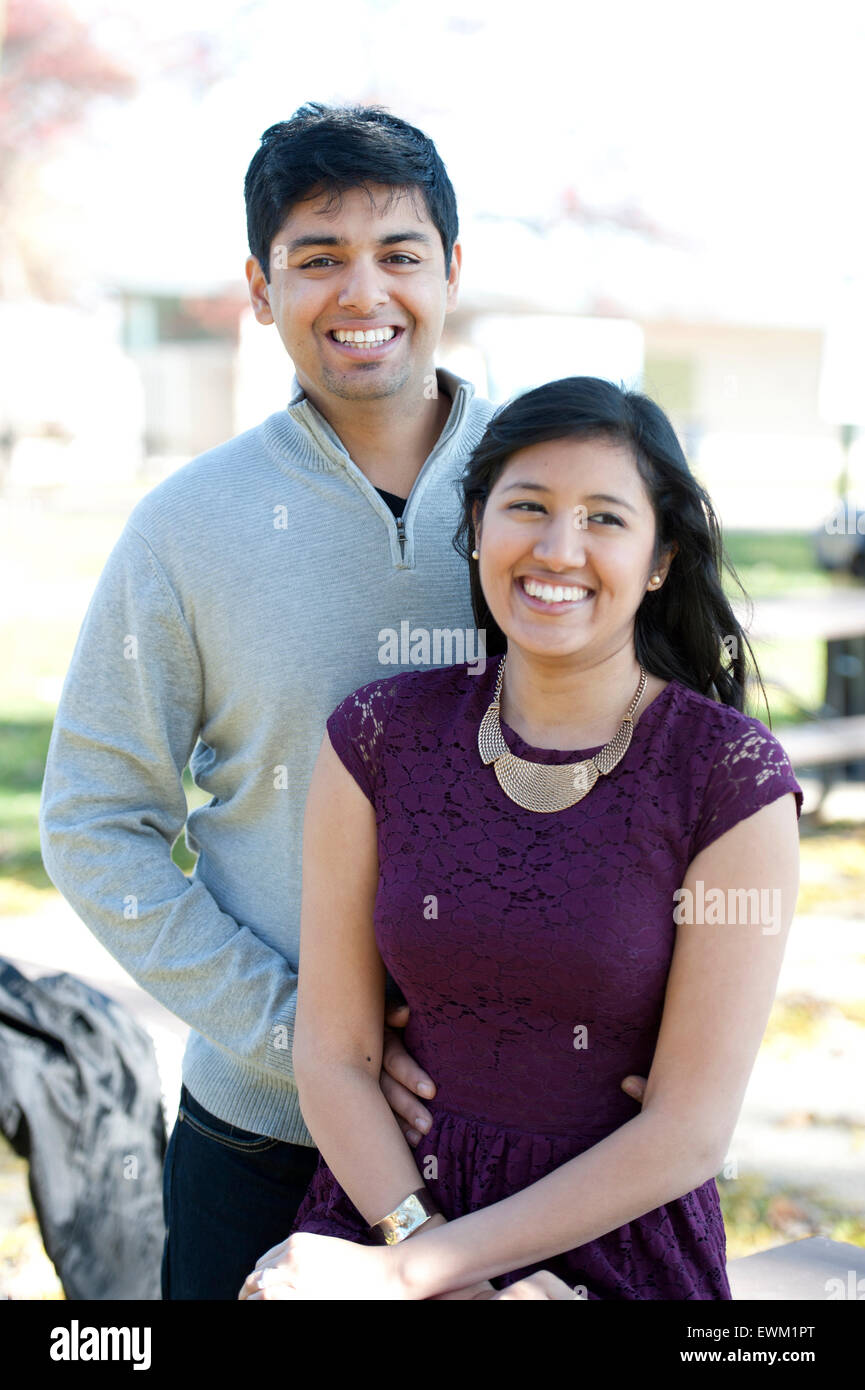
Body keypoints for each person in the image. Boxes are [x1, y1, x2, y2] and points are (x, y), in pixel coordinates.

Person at [37, 104, 652, 1300]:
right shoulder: (186, 528)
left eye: (398, 253)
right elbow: (92, 817)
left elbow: (672, 770)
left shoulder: (561, 500)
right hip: (261, 1142)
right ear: (261, 291)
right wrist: (300, 1039)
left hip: (547, 1141)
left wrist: (656, 1024)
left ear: (452, 272)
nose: (361, 290)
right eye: (317, 257)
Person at [238, 376, 803, 1301]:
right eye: (527, 507)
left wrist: (419, 1276)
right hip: (388, 1211)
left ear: (659, 559)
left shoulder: (726, 780)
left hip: (613, 1243)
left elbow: (688, 1131)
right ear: (475, 524)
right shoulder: (377, 737)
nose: (558, 548)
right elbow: (334, 1054)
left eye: (605, 519)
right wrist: (423, 1256)